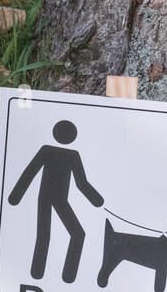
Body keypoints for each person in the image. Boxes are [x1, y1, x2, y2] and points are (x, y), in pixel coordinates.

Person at [6, 120, 104, 283]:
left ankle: (58, 275)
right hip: (51, 199)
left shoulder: (60, 153)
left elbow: (29, 173)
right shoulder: (66, 154)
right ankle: (45, 274)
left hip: (54, 199)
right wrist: (97, 201)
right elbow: (81, 183)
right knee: (70, 234)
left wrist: (97, 201)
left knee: (60, 234)